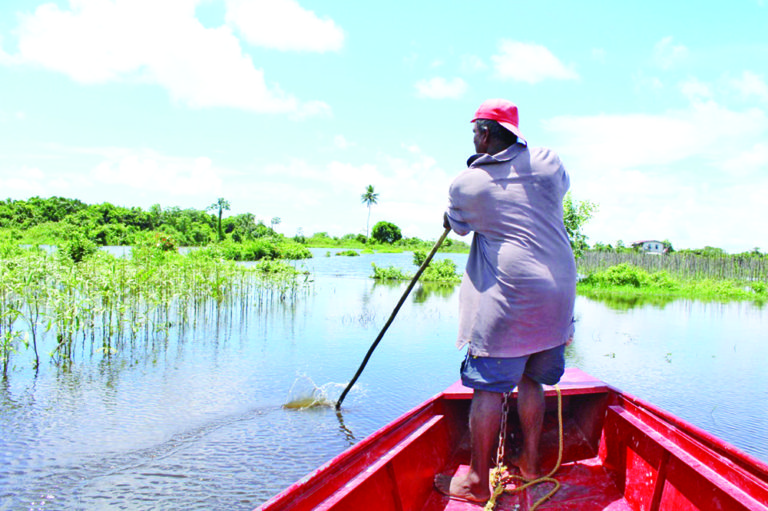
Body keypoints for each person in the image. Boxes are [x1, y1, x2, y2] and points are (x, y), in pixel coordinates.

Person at [434, 98, 576, 503]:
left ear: (482, 132)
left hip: (510, 297)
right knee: (533, 379)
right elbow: (549, 189)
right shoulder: (548, 161)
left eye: (473, 132)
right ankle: (531, 463)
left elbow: (458, 226)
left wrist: (450, 216)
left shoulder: (467, 183)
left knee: (489, 391)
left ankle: (478, 482)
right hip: (559, 296)